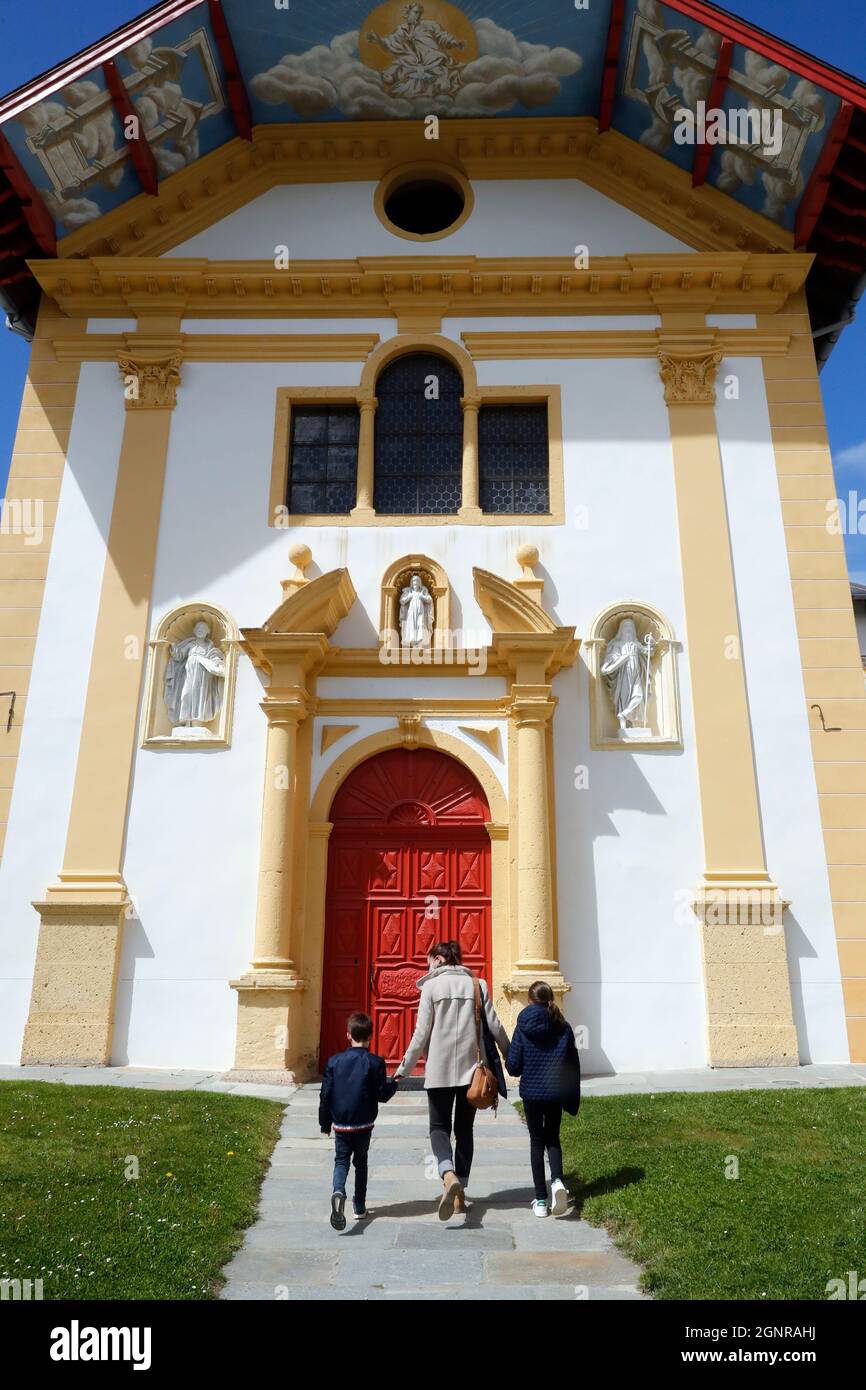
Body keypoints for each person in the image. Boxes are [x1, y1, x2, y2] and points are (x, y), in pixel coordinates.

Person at [393, 940, 509, 1225]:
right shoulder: (476, 984)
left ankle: (447, 1175)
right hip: (472, 1073)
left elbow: (421, 1035)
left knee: (438, 1128)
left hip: (440, 1072)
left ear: (438, 959)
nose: (427, 965)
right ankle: (460, 1195)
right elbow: (495, 1027)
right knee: (465, 1129)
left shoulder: (431, 988)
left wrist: (403, 1069)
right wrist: (511, 1057)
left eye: (428, 959)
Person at [506, 980, 581, 1218]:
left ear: (529, 1000)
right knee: (553, 1139)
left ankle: (540, 1200)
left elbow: (514, 1067)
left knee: (536, 1142)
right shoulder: (563, 1026)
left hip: (532, 1094)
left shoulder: (523, 1026)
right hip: (555, 1092)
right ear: (551, 999)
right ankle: (558, 1182)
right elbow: (572, 1065)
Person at [319, 1012, 398, 1230]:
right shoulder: (375, 1062)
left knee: (341, 1160)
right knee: (361, 1162)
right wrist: (395, 1083)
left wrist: (325, 1123)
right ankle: (359, 1206)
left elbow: (325, 1094)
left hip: (341, 1124)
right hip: (364, 1124)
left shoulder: (334, 1062)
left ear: (348, 1035)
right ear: (371, 1036)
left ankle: (338, 1190)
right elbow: (382, 1094)